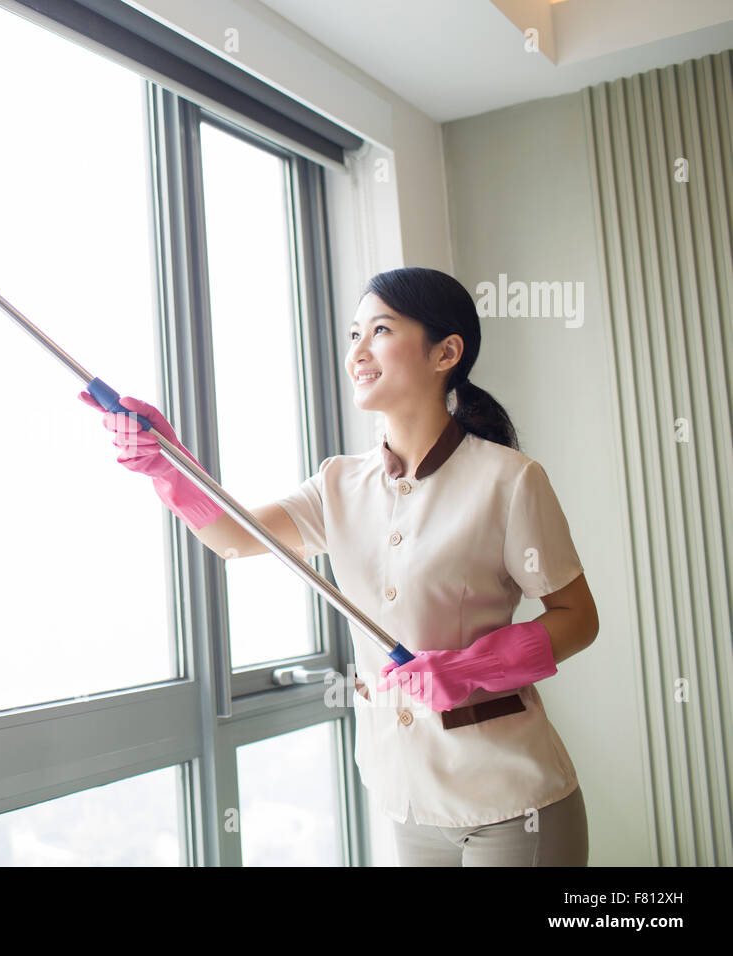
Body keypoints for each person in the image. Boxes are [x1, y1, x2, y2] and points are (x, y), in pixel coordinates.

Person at [79, 266, 597, 866]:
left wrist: (476, 666)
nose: (359, 351)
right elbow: (232, 537)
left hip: (513, 802)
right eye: (354, 335)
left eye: (380, 330)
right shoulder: (338, 483)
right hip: (405, 797)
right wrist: (166, 464)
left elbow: (577, 618)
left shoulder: (508, 480)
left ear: (446, 353)